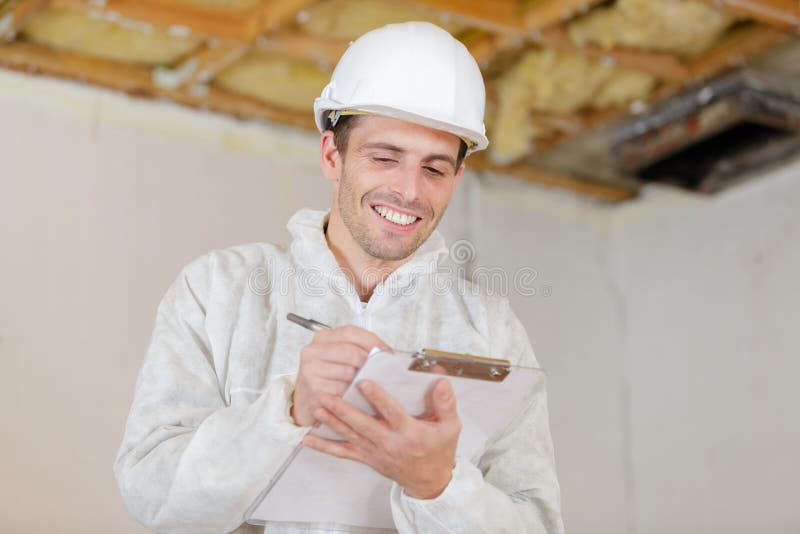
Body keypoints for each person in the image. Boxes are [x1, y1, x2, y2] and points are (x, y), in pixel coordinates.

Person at [115, 21, 563, 534]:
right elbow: (151, 494)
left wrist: (438, 486)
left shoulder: (490, 329)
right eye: (384, 158)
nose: (409, 191)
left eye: (434, 169)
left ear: (456, 179)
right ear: (333, 155)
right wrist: (286, 411)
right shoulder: (218, 292)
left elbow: (537, 524)